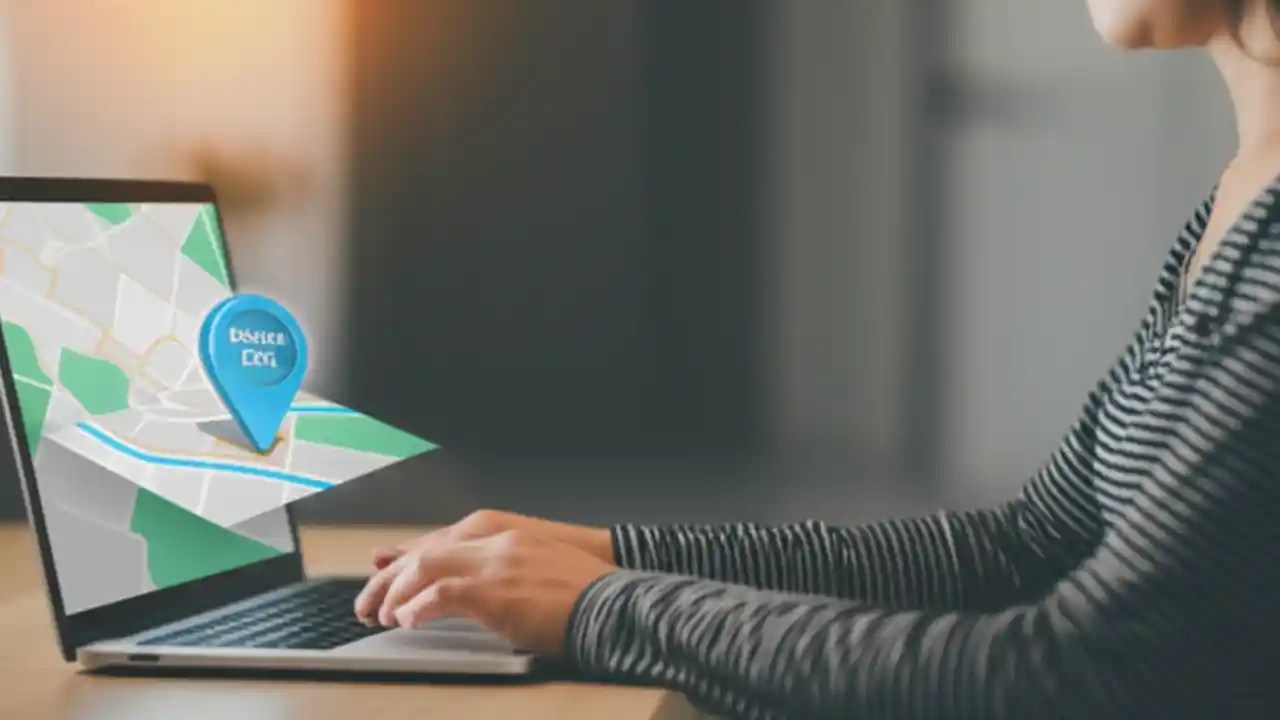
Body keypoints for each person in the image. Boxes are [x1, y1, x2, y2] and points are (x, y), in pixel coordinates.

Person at [354, 1, 1280, 716]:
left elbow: (1083, 678)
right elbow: (1034, 547)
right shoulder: (1239, 204)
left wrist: (600, 605)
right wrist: (607, 554)